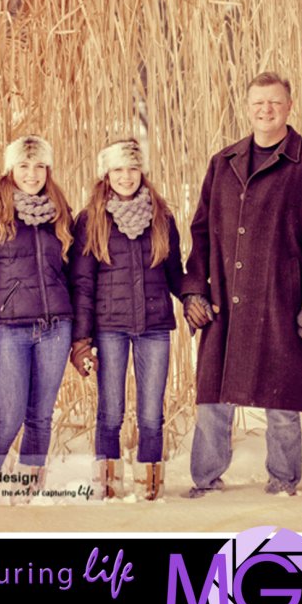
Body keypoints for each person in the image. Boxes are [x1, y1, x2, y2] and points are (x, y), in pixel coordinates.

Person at [181, 72, 302, 498]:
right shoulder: (224, 161)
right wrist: (195, 288)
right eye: (258, 103)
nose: (266, 110)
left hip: (280, 298)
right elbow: (200, 231)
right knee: (212, 398)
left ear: (289, 106)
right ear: (247, 107)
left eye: (275, 102)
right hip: (225, 299)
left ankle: (284, 481)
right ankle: (205, 479)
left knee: (282, 399)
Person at [69, 132, 185, 501]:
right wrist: (82, 339)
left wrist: (196, 298)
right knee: (111, 410)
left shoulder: (161, 216)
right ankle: (107, 483)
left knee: (151, 412)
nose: (126, 176)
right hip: (109, 328)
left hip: (154, 327)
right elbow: (83, 283)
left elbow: (175, 274)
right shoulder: (90, 220)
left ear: (142, 171)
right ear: (106, 173)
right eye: (118, 169)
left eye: (132, 168)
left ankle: (150, 486)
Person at [0, 135, 73, 505]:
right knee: (8, 417)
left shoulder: (59, 210)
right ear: (11, 168)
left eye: (39, 166)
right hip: (9, 330)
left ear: (48, 169)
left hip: (56, 327)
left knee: (41, 416)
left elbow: (74, 273)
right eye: (23, 166)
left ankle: (26, 491)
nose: (31, 174)